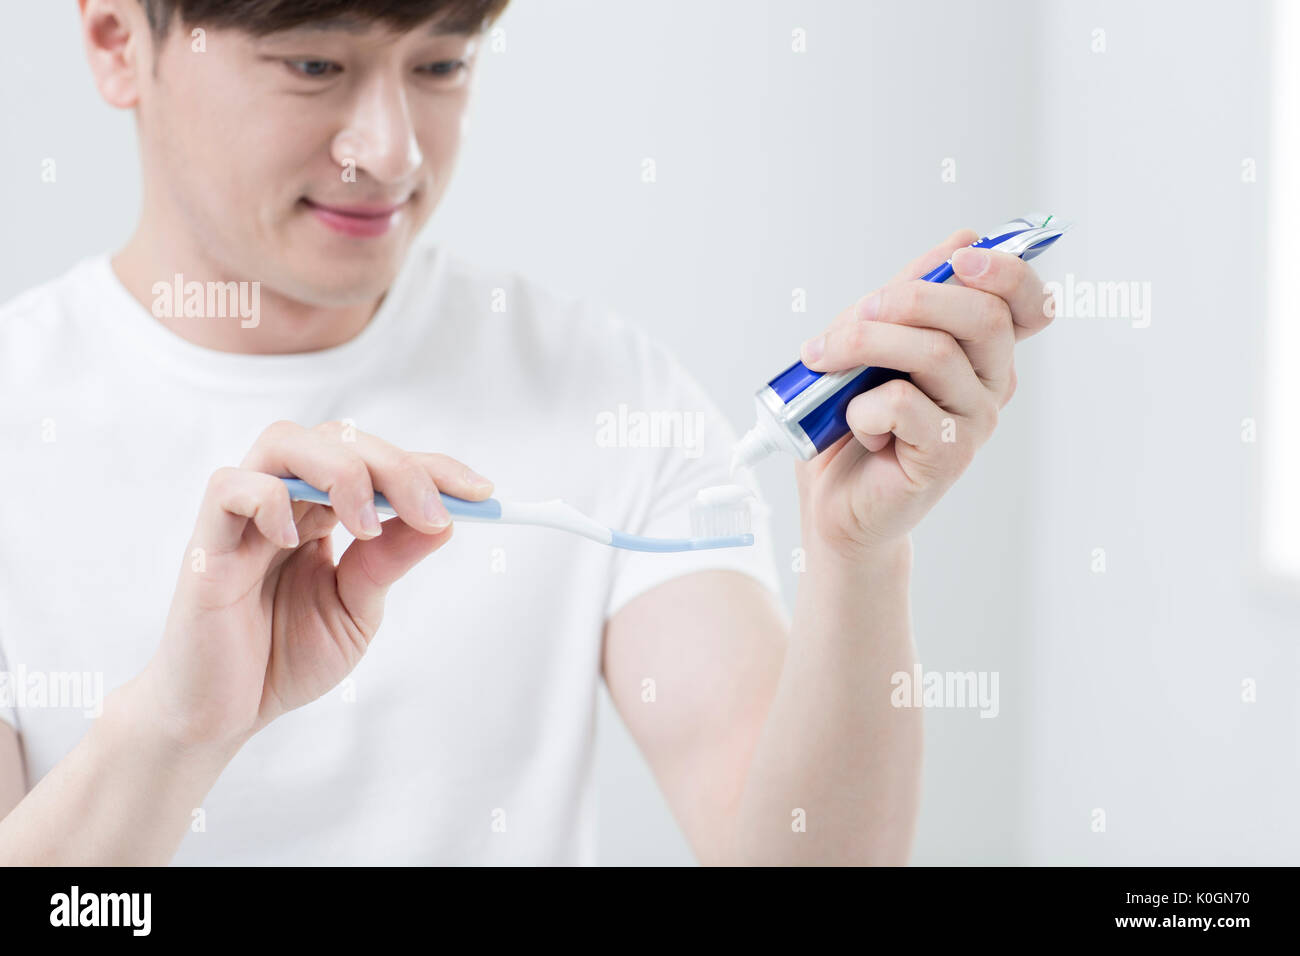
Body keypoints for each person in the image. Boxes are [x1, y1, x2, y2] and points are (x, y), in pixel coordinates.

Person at [0, 0, 1055, 865]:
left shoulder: (608, 391)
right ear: (116, 42)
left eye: (443, 65)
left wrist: (855, 559)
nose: (394, 148)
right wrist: (177, 731)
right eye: (315, 64)